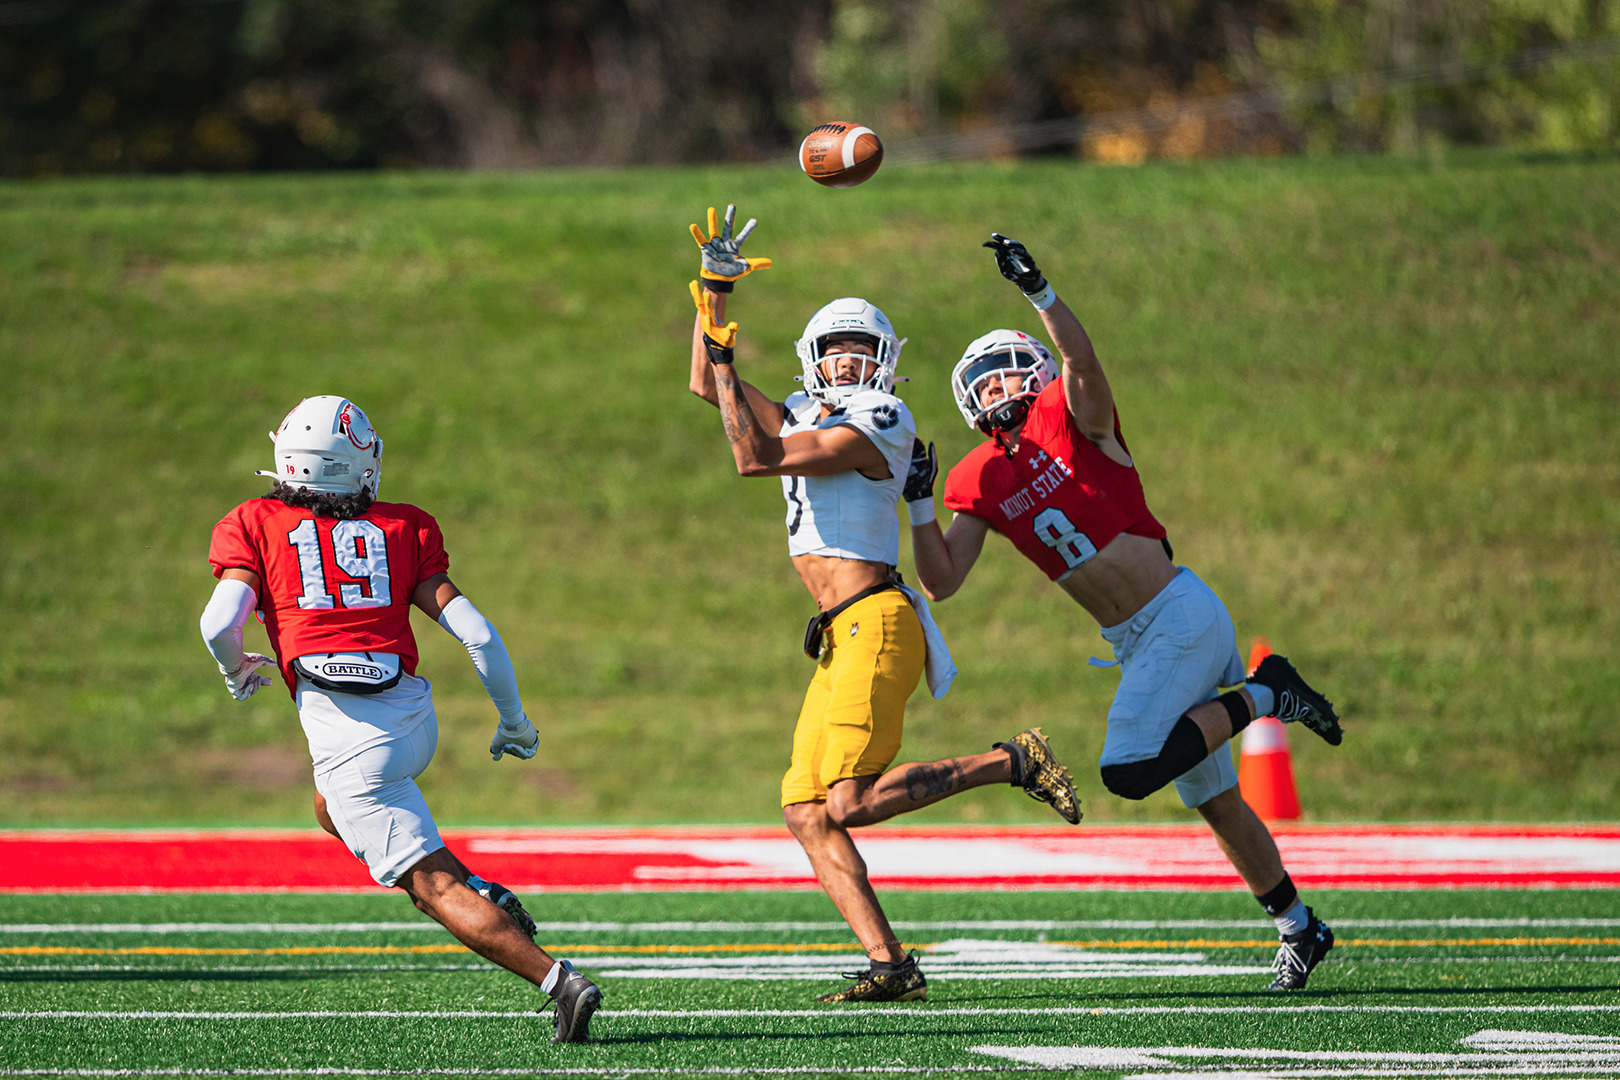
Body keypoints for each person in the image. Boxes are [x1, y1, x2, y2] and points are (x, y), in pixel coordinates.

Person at [907, 233, 1345, 992]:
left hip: (1179, 613)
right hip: (1138, 640)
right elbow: (942, 581)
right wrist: (916, 501)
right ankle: (1299, 928)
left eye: (1008, 367)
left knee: (1130, 768)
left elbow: (1081, 364)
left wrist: (1040, 293)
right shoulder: (975, 478)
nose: (994, 385)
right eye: (978, 379)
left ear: (1036, 371)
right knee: (1213, 798)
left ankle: (1271, 692)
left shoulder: (1072, 415)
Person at [685, 206, 1082, 1003]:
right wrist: (713, 298)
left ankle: (1012, 760)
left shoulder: (885, 417)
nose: (845, 363)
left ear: (886, 362)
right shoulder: (806, 407)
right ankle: (891, 964)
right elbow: (705, 383)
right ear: (812, 359)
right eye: (834, 352)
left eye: (860, 351)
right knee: (805, 809)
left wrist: (729, 361)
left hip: (878, 621)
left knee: (850, 801)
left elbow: (750, 456)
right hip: (838, 636)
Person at [199, 395, 602, 1043]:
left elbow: (219, 623)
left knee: (429, 886)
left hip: (351, 735)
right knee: (328, 806)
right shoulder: (405, 526)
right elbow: (478, 635)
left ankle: (561, 983)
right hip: (412, 717)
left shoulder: (255, 520)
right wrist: (514, 720)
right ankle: (482, 888)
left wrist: (233, 669)